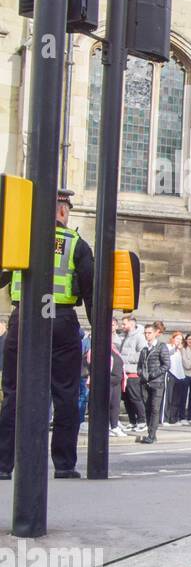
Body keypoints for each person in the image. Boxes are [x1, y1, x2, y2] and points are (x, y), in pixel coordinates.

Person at [0, 189, 94, 479]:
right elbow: (91, 292)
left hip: (25, 317)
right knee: (65, 393)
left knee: (14, 392)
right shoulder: (76, 244)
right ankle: (64, 464)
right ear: (63, 211)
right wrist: (100, 335)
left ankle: (3, 465)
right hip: (61, 319)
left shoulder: (21, 240)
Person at [135, 323, 170, 443]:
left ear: (155, 333)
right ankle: (151, 434)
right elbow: (139, 366)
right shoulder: (144, 349)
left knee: (155, 409)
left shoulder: (161, 347)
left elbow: (166, 365)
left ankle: (151, 434)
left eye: (149, 333)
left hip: (157, 383)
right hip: (145, 383)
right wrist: (141, 373)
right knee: (148, 408)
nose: (147, 335)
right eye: (145, 333)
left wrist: (153, 374)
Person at [119, 314, 147, 433]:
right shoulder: (126, 336)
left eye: (124, 323)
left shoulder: (139, 337)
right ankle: (132, 421)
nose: (122, 326)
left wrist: (127, 359)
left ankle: (142, 422)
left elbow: (143, 353)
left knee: (135, 398)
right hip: (124, 372)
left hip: (133, 373)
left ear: (132, 323)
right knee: (127, 399)